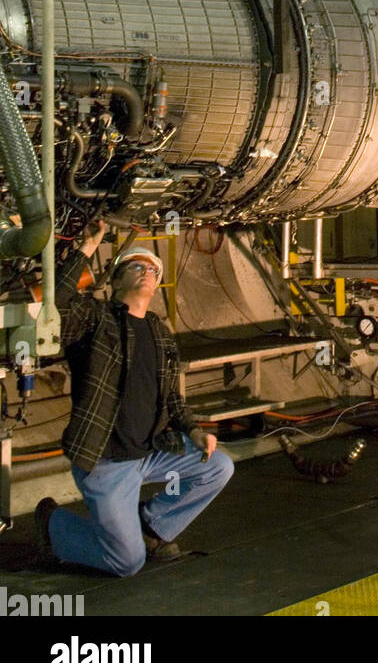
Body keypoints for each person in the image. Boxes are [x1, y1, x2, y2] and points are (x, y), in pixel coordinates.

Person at [34, 221, 234, 576]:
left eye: (153, 270)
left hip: (151, 453)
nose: (147, 272)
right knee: (126, 563)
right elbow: (57, 302)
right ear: (116, 280)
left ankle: (150, 526)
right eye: (137, 266)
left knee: (219, 467)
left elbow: (172, 397)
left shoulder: (159, 331)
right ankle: (54, 524)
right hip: (106, 463)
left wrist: (195, 431)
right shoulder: (95, 319)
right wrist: (86, 249)